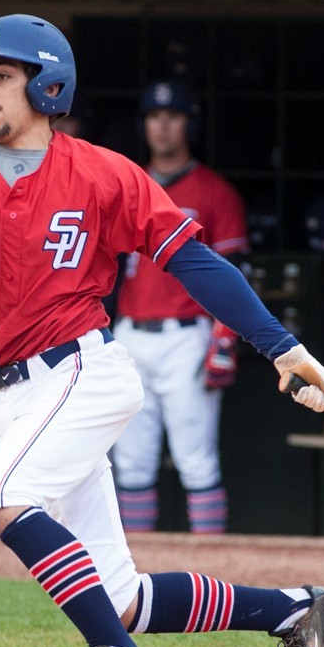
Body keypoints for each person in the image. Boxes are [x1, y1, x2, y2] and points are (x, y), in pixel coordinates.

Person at [0, 14, 324, 647]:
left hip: (80, 371)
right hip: (10, 390)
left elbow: (194, 261)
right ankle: (299, 611)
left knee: (1, 493)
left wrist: (282, 347)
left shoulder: (104, 173)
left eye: (3, 76)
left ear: (48, 86)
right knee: (119, 595)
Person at [110, 80, 248, 534]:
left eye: (173, 116)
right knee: (130, 463)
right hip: (129, 333)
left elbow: (232, 273)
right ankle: (133, 573)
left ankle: (210, 570)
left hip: (188, 334)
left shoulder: (214, 190)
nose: (163, 126)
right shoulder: (127, 183)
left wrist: (224, 338)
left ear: (189, 123)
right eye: (154, 116)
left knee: (196, 461)